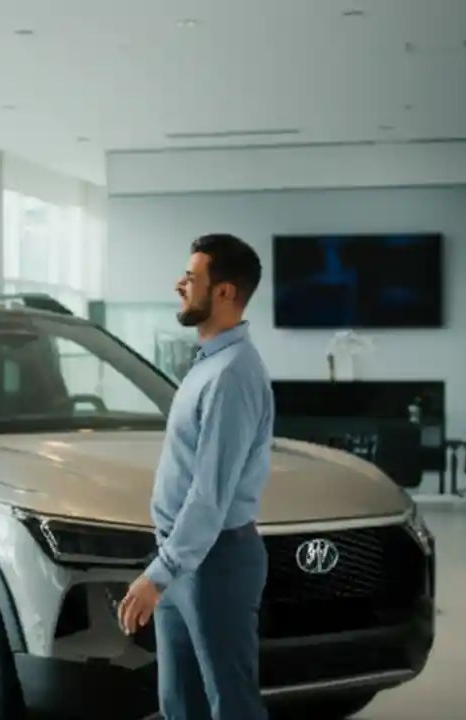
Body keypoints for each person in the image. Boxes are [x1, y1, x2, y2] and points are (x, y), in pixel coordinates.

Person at [117, 233, 274, 720]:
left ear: (224, 291)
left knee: (232, 706)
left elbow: (210, 494)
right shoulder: (208, 365)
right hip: (183, 559)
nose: (179, 284)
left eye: (191, 276)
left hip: (216, 564)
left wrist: (156, 576)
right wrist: (166, 568)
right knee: (180, 706)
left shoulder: (232, 374)